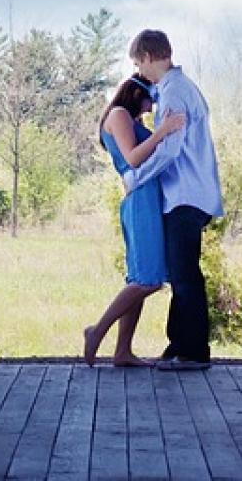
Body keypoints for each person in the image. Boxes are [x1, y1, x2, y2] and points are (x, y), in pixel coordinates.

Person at [123, 29, 223, 371]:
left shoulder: (174, 92)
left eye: (138, 62)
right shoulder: (177, 88)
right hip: (187, 195)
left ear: (150, 57)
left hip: (186, 195)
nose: (139, 70)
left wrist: (135, 178)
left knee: (184, 275)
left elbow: (170, 151)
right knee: (181, 273)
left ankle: (193, 352)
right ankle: (179, 345)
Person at [83, 74, 187, 367]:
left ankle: (123, 352)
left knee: (139, 277)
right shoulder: (118, 115)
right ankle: (96, 331)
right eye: (149, 99)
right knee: (149, 279)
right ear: (135, 94)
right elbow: (133, 158)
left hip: (147, 197)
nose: (151, 106)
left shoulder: (133, 121)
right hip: (140, 199)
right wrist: (162, 131)